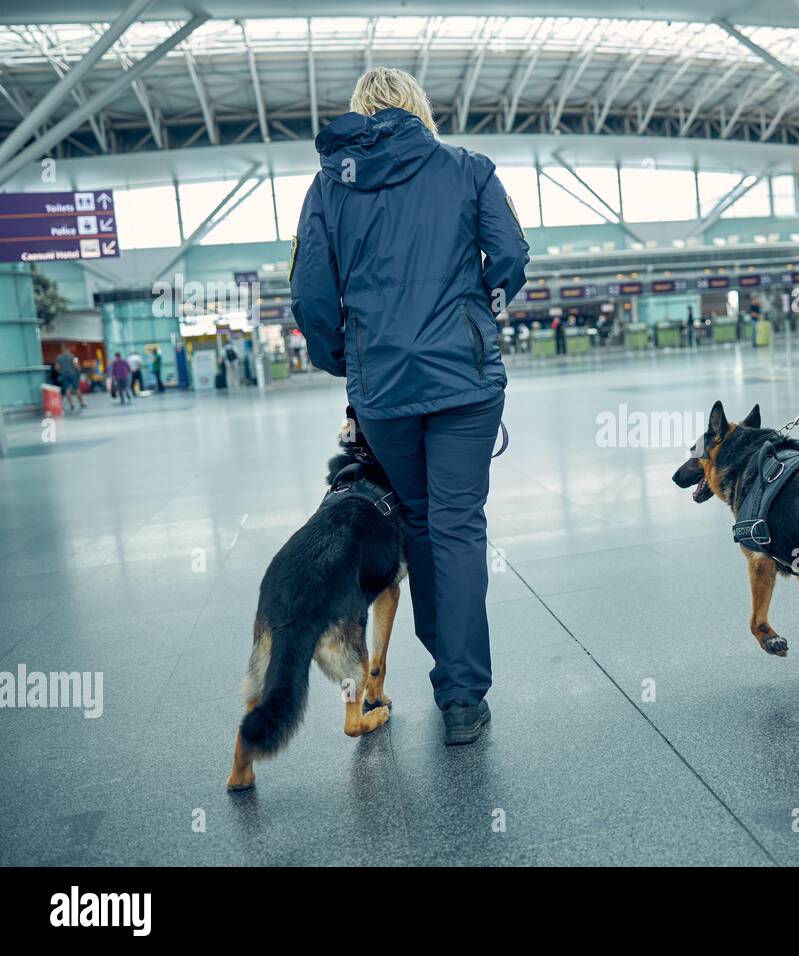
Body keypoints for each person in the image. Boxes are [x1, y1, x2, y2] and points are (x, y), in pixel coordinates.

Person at [292, 66, 529, 745]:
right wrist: (477, 311)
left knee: (423, 521)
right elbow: (511, 253)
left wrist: (348, 359)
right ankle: (460, 696)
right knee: (458, 524)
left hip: (385, 395)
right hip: (466, 384)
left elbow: (310, 296)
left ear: (361, 113)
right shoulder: (468, 168)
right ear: (420, 110)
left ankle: (445, 662)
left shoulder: (329, 185)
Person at [55, 346, 85, 412]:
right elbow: (77, 366)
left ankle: (71, 404)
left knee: (67, 389)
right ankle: (82, 403)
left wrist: (61, 372)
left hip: (63, 375)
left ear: (62, 350)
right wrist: (79, 370)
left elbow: (57, 368)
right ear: (68, 350)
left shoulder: (58, 358)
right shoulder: (73, 356)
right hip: (73, 374)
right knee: (77, 388)